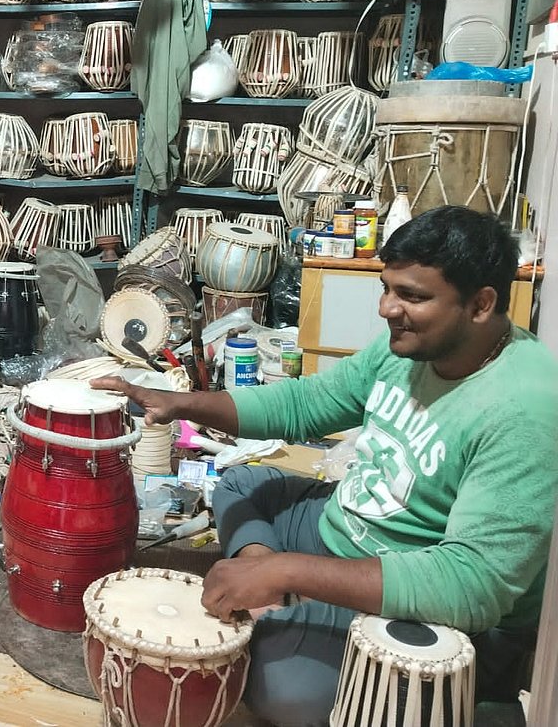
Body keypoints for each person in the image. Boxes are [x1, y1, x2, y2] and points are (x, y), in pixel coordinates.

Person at [93, 206, 558, 727]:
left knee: (281, 693)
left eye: (412, 295)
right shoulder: (409, 347)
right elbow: (307, 404)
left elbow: (473, 585)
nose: (387, 308)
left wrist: (289, 571)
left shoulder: (524, 408)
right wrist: (181, 403)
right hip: (341, 525)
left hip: (406, 586)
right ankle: (270, 586)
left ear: (481, 304)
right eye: (387, 287)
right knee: (241, 481)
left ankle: (280, 595)